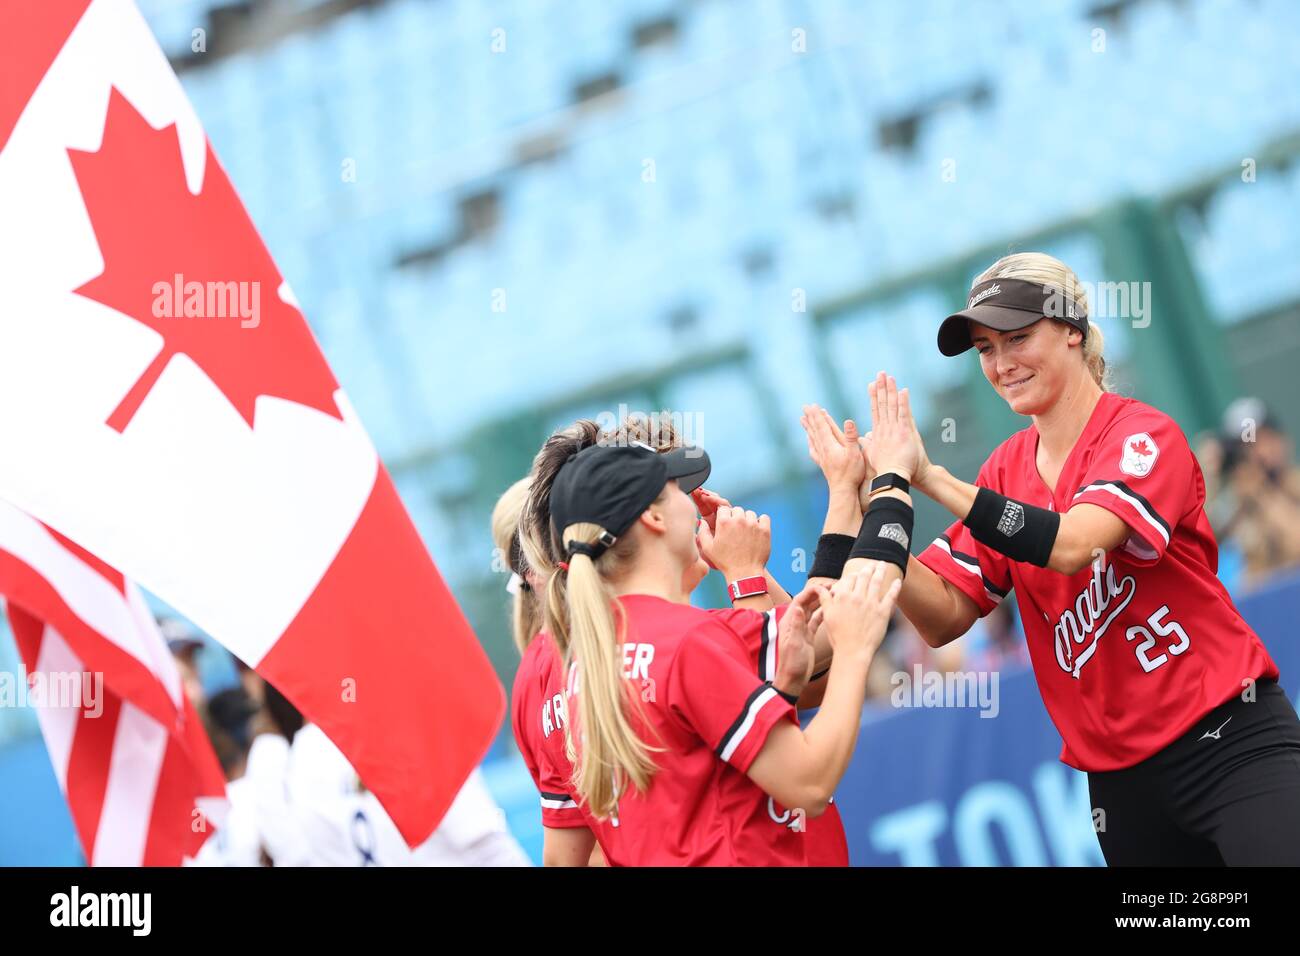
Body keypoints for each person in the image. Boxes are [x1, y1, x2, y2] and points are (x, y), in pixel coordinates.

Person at [844, 251, 1300, 865]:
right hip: (1121, 787)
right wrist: (876, 507)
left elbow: (1072, 544)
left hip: (1226, 740)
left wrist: (928, 475)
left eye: (1017, 338)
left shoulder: (1141, 435)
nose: (1002, 364)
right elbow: (943, 614)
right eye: (985, 349)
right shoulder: (1003, 471)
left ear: (1071, 330)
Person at [543, 440, 900, 865]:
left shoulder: (592, 658)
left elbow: (702, 788)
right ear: (652, 517)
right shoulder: (688, 641)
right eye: (675, 487)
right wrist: (855, 653)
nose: (691, 501)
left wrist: (782, 691)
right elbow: (809, 784)